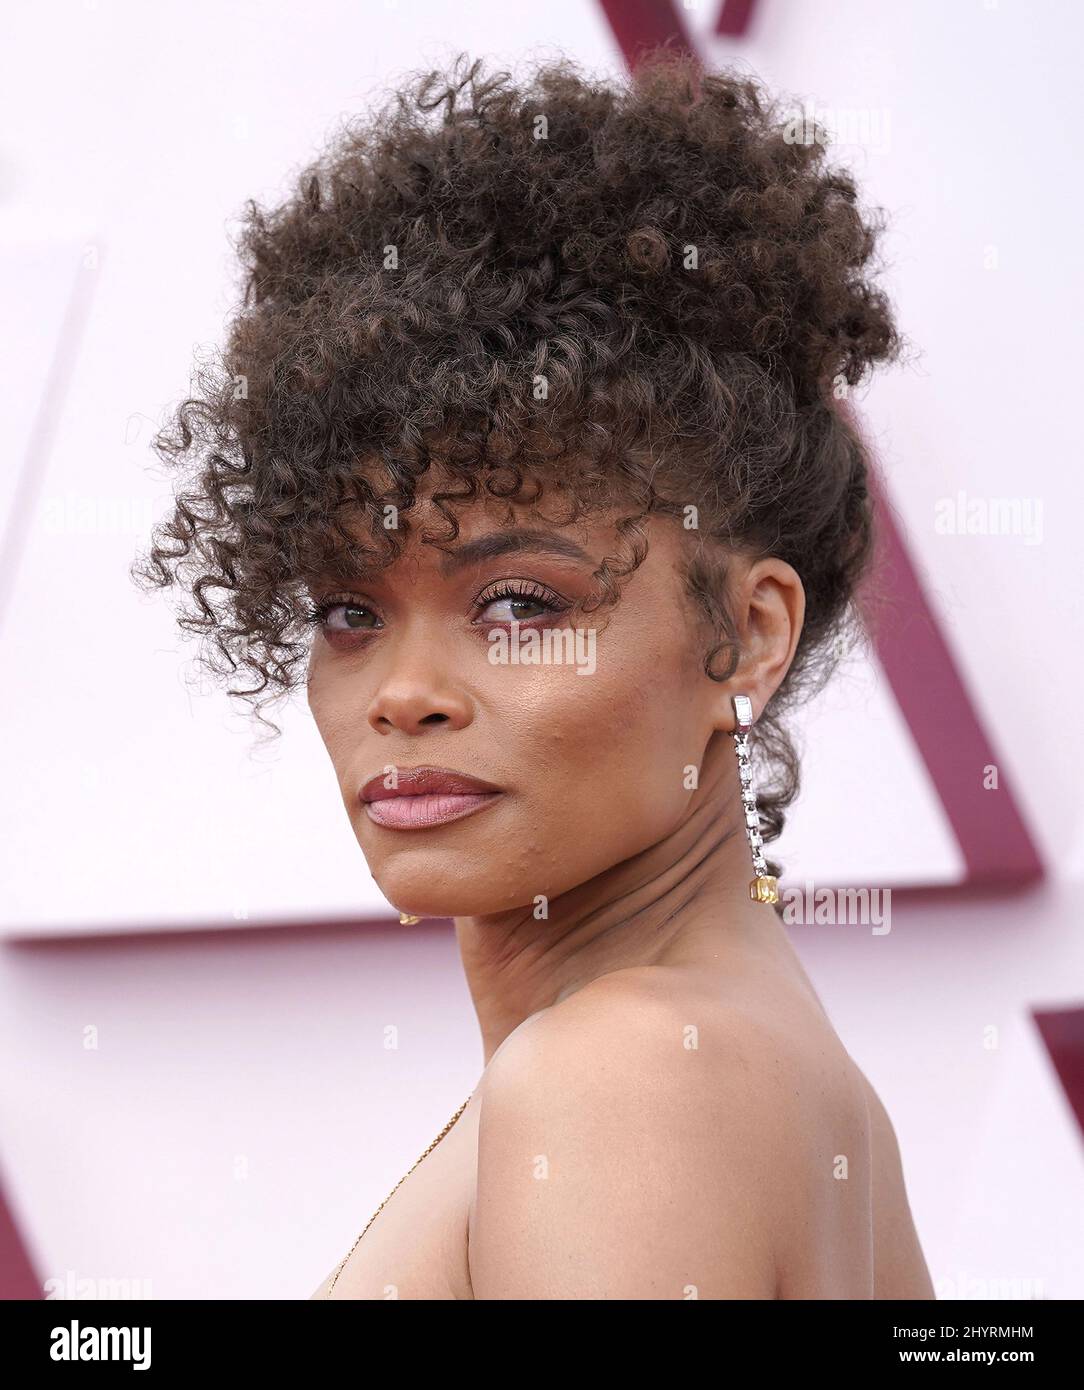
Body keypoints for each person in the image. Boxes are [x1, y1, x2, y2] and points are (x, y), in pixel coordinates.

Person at [132, 48, 934, 1300]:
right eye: (349, 609)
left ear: (751, 633)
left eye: (517, 604)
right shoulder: (761, 1070)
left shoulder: (620, 1080)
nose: (405, 692)